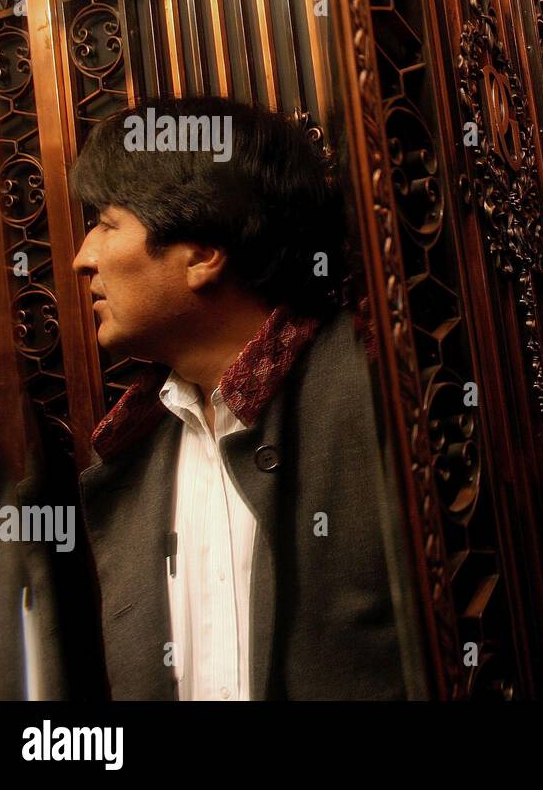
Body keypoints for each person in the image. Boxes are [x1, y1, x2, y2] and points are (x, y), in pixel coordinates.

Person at [70, 96, 407, 699]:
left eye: (105, 223)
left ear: (202, 251)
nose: (82, 258)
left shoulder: (377, 396)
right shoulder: (132, 454)